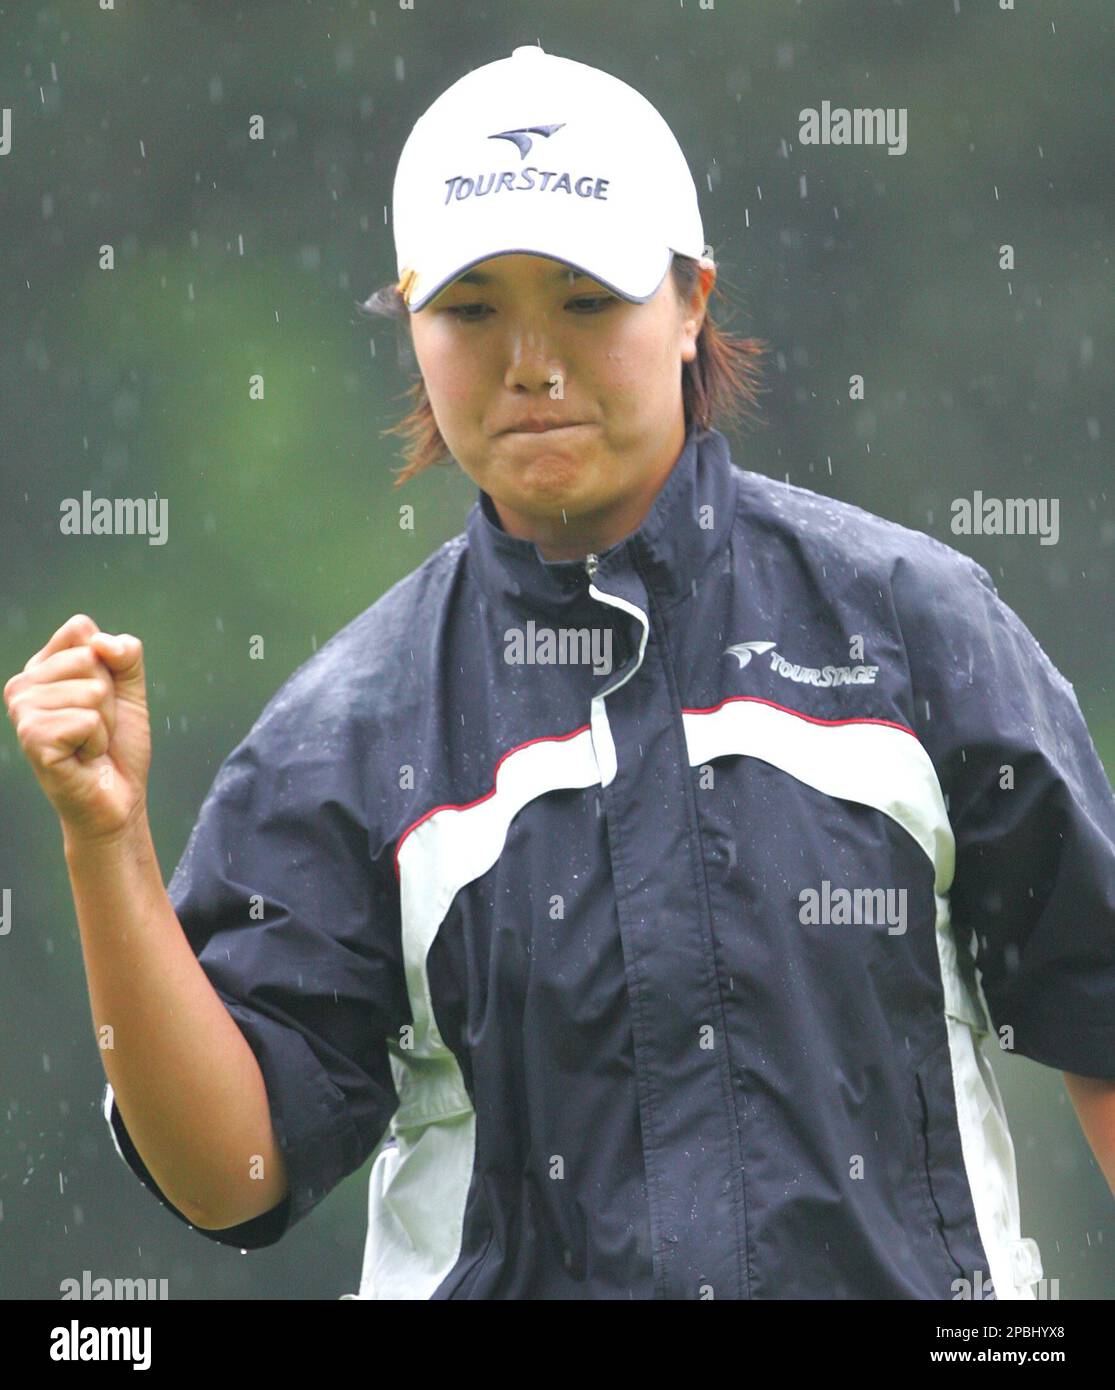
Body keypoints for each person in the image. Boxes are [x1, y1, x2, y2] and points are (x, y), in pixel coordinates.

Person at [6, 44, 1114, 1301]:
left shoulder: (913, 626)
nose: (528, 360)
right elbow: (233, 1173)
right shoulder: (346, 730)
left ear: (692, 300)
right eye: (471, 309)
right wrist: (107, 846)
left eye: (586, 297)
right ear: (413, 325)